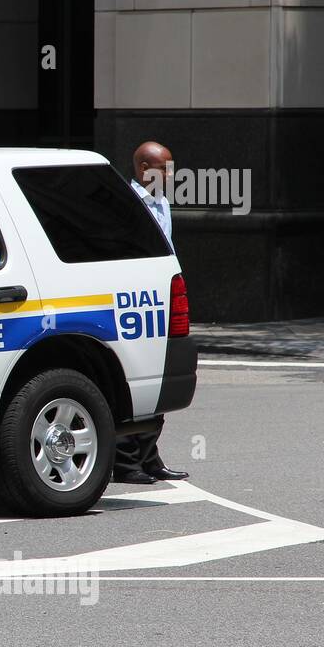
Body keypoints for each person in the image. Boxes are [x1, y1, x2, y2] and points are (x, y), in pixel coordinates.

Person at [115, 140, 189, 485]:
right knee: (136, 383)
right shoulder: (126, 205)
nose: (171, 175)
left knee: (159, 384)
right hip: (137, 306)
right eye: (166, 168)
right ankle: (126, 463)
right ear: (145, 169)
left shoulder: (162, 202)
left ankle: (149, 457)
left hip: (165, 304)